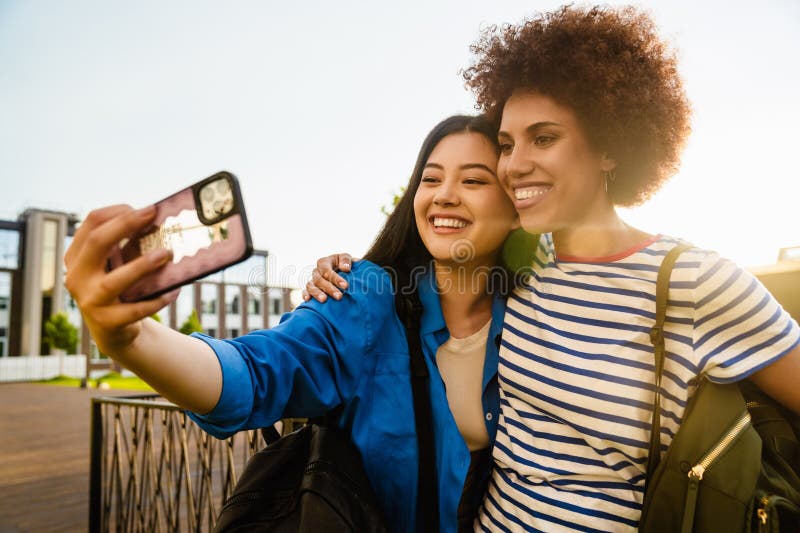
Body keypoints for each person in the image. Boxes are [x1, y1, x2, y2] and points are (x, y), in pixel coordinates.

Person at [305, 5, 800, 531]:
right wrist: (343, 269)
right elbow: (428, 252)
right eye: (506, 144)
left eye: (544, 138)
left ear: (610, 145)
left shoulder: (694, 280)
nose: (514, 164)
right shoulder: (522, 260)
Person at [63, 114, 520, 533]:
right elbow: (256, 371)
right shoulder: (363, 299)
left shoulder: (535, 313)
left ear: (515, 205)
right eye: (430, 178)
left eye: (474, 180)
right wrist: (129, 338)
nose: (444, 195)